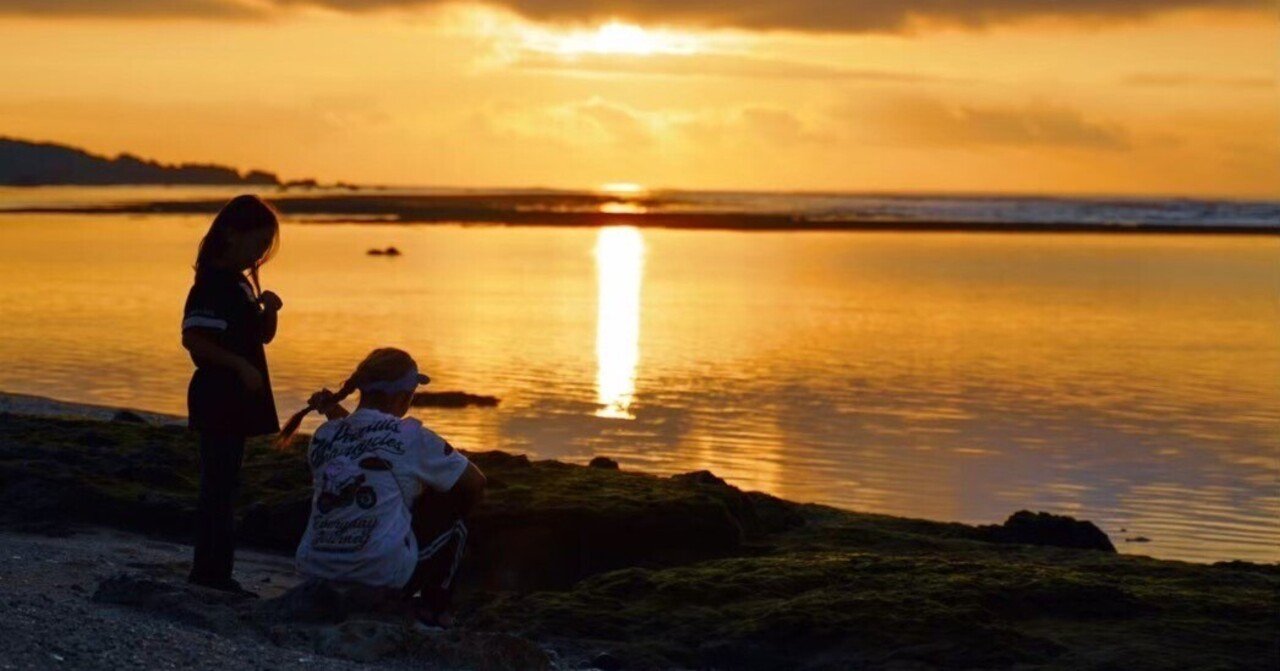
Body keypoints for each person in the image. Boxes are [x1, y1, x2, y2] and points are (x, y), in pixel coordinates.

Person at [278, 348, 486, 625]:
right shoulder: (411, 435)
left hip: (315, 569)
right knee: (455, 519)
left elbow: (360, 438)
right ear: (402, 396)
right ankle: (434, 610)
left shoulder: (323, 435)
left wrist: (333, 411)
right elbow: (475, 482)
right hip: (378, 574)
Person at [181, 194, 283, 596]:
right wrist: (240, 367)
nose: (260, 254)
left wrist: (270, 310)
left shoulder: (239, 283)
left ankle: (216, 572)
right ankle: (210, 574)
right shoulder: (213, 284)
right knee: (217, 488)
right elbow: (193, 339)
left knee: (225, 485)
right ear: (230, 234)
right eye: (257, 244)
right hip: (218, 397)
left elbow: (260, 336)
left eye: (264, 248)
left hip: (235, 401)